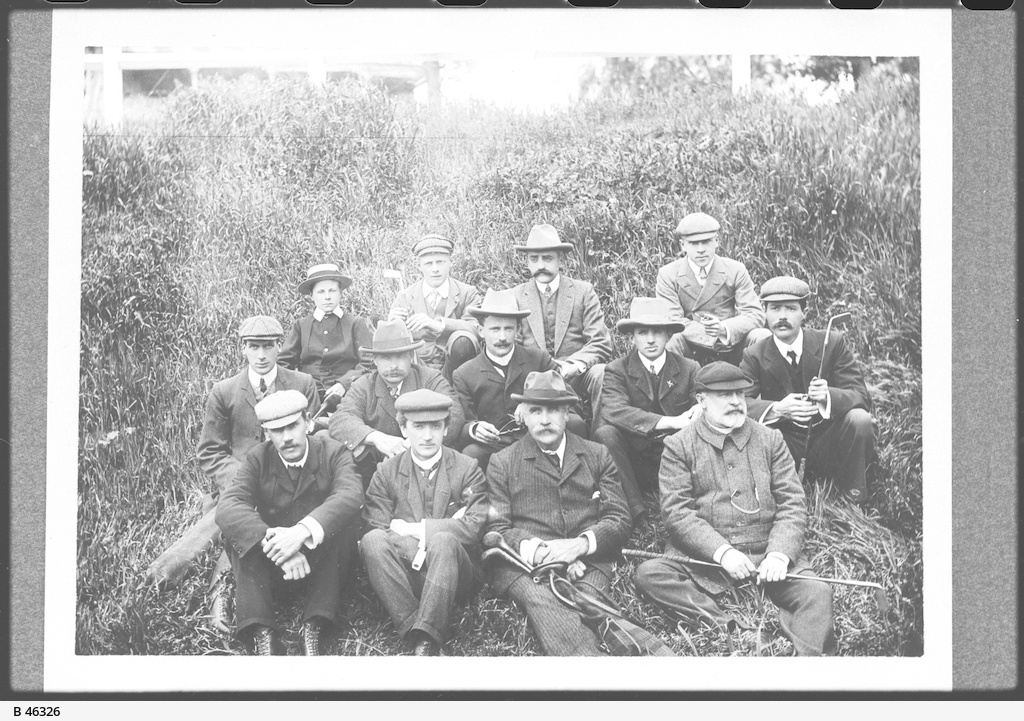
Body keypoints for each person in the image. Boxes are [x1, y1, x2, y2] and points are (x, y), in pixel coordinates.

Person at [633, 362, 835, 656]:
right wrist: (723, 553)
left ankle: (806, 670)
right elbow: (677, 513)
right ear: (701, 400)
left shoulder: (770, 439)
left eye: (740, 393)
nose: (736, 402)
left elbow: (792, 503)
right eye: (724, 394)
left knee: (817, 593)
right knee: (649, 574)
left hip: (767, 559)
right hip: (706, 562)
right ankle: (729, 624)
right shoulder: (678, 445)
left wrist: (778, 555)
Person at [485, 370, 631, 656]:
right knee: (545, 601)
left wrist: (578, 547)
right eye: (535, 411)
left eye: (553, 410)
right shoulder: (502, 462)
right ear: (522, 416)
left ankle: (653, 660)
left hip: (588, 560)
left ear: (567, 413)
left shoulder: (596, 454)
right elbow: (497, 529)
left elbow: (619, 519)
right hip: (526, 566)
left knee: (592, 601)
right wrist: (544, 553)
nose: (544, 419)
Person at [190, 315, 319, 627]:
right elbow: (209, 450)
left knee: (245, 520)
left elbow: (312, 439)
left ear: (279, 347)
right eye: (253, 347)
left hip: (291, 483)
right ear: (243, 349)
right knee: (235, 517)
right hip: (241, 481)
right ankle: (219, 592)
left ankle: (230, 592)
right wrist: (241, 478)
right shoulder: (224, 391)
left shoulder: (302, 384)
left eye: (268, 347)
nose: (261, 355)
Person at [216, 390, 364, 655]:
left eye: (293, 426)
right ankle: (263, 631)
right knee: (238, 534)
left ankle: (316, 624)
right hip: (274, 565)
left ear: (308, 422)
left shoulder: (333, 452)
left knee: (344, 527)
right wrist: (276, 546)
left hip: (322, 563)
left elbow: (350, 495)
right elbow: (229, 506)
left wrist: (300, 533)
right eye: (277, 431)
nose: (286, 438)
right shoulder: (257, 458)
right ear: (266, 434)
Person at [360, 389, 487, 656]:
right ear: (404, 429)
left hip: (454, 574)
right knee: (372, 541)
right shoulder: (386, 471)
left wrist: (414, 529)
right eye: (418, 427)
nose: (427, 436)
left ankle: (426, 634)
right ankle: (417, 632)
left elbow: (474, 526)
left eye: (435, 426)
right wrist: (446, 527)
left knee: (443, 540)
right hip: (405, 574)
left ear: (446, 429)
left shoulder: (467, 468)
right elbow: (377, 526)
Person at [739, 275, 876, 503]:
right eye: (774, 308)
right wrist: (778, 409)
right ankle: (773, 499)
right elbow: (738, 402)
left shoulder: (832, 342)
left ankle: (854, 497)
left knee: (860, 420)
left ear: (805, 312)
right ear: (764, 312)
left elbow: (861, 396)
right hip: (784, 442)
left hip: (828, 439)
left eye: (791, 308)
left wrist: (828, 397)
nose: (782, 316)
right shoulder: (754, 354)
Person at [453, 288, 587, 471]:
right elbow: (461, 424)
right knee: (471, 453)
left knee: (575, 423)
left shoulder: (538, 359)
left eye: (508, 328)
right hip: (496, 447)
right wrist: (474, 429)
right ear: (480, 331)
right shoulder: (464, 374)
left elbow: (572, 400)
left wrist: (533, 406)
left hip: (541, 436)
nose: (502, 337)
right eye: (494, 329)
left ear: (517, 329)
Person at [593, 297, 701, 523]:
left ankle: (692, 503)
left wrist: (698, 410)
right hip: (635, 461)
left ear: (669, 336)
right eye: (642, 332)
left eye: (658, 332)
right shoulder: (616, 370)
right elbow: (614, 410)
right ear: (632, 337)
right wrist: (670, 421)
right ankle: (636, 512)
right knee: (606, 433)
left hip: (675, 457)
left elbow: (698, 403)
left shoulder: (689, 368)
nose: (650, 340)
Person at [329, 319, 465, 487]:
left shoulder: (430, 379)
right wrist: (378, 439)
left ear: (411, 356)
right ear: (375, 360)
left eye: (400, 356)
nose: (393, 365)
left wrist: (412, 445)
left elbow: (455, 413)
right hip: (379, 473)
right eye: (386, 358)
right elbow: (341, 418)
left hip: (429, 465)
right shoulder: (363, 386)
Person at [511, 224, 612, 421]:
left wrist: (573, 366)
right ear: (527, 262)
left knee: (602, 373)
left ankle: (600, 437)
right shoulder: (515, 296)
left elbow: (600, 341)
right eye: (534, 259)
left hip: (575, 375)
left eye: (547, 258)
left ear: (560, 259)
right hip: (534, 379)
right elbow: (513, 349)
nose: (541, 265)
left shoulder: (583, 292)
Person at [655, 212, 770, 366]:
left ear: (716, 241)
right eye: (694, 243)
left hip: (732, 346)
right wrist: (710, 334)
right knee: (672, 339)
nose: (701, 249)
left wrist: (723, 329)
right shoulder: (668, 274)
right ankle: (681, 388)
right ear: (683, 245)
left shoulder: (735, 270)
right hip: (691, 351)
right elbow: (672, 321)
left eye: (706, 241)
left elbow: (755, 314)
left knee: (762, 336)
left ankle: (759, 389)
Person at [387, 234, 482, 381]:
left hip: (455, 368)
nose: (435, 269)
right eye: (428, 264)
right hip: (418, 370)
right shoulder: (405, 296)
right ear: (419, 266)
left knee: (463, 340)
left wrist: (438, 325)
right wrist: (392, 325)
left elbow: (476, 329)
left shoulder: (467, 293)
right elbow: (391, 342)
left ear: (451, 262)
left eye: (440, 262)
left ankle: (460, 395)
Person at [279, 262, 373, 410]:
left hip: (348, 394)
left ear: (341, 292)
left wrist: (344, 384)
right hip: (309, 395)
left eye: (332, 291)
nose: (327, 297)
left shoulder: (355, 323)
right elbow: (284, 364)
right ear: (311, 295)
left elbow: (368, 363)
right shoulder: (301, 325)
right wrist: (299, 389)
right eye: (321, 292)